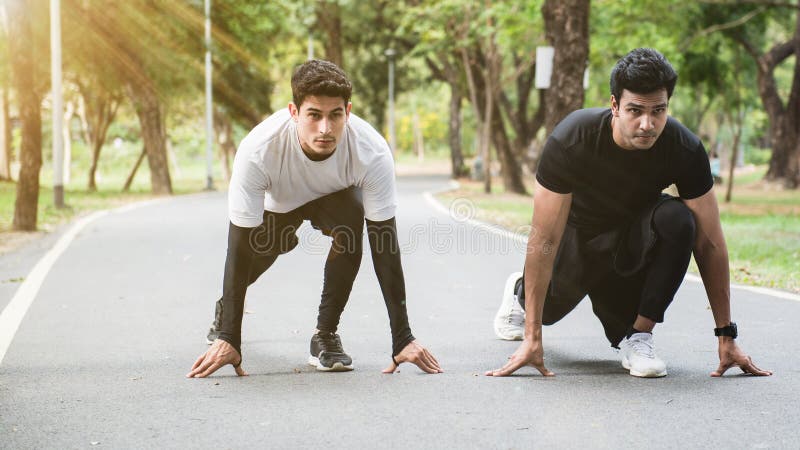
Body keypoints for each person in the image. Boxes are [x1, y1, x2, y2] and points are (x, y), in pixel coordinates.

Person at [488, 48, 771, 378]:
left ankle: (639, 337)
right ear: (614, 106)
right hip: (577, 236)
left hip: (630, 245)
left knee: (679, 219)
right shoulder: (572, 139)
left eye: (658, 111)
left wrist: (727, 335)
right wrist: (533, 337)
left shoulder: (684, 148)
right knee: (547, 312)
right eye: (635, 110)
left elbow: (709, 243)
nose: (648, 124)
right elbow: (545, 238)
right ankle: (518, 292)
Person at [187, 60, 442, 378]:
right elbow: (237, 249)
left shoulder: (371, 151)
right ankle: (226, 310)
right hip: (278, 205)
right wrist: (229, 337)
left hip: (332, 202)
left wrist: (402, 337)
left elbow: (385, 247)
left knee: (352, 222)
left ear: (348, 112)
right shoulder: (258, 150)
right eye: (314, 115)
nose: (325, 128)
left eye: (335, 115)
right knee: (264, 249)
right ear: (294, 112)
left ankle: (325, 336)